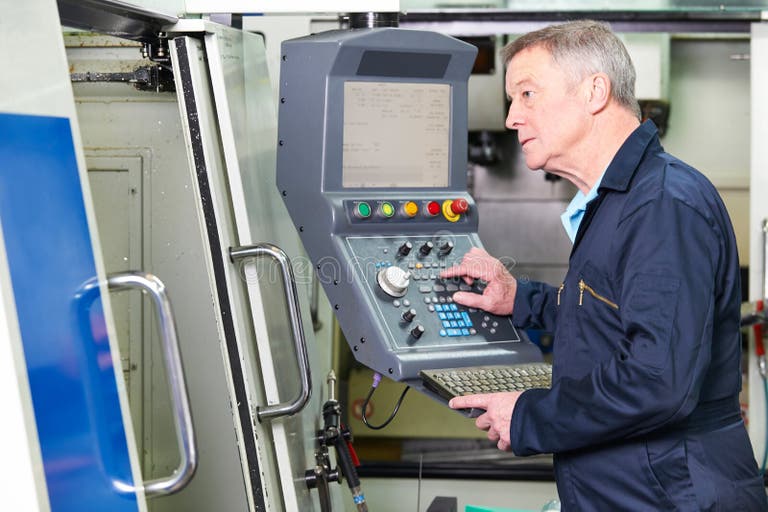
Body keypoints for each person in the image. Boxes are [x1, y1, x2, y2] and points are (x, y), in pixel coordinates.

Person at [442, 20, 768, 510]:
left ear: (595, 91)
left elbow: (658, 381)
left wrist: (529, 416)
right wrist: (520, 299)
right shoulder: (618, 200)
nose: (512, 118)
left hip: (670, 492)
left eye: (527, 94)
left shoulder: (661, 205)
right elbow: (612, 314)